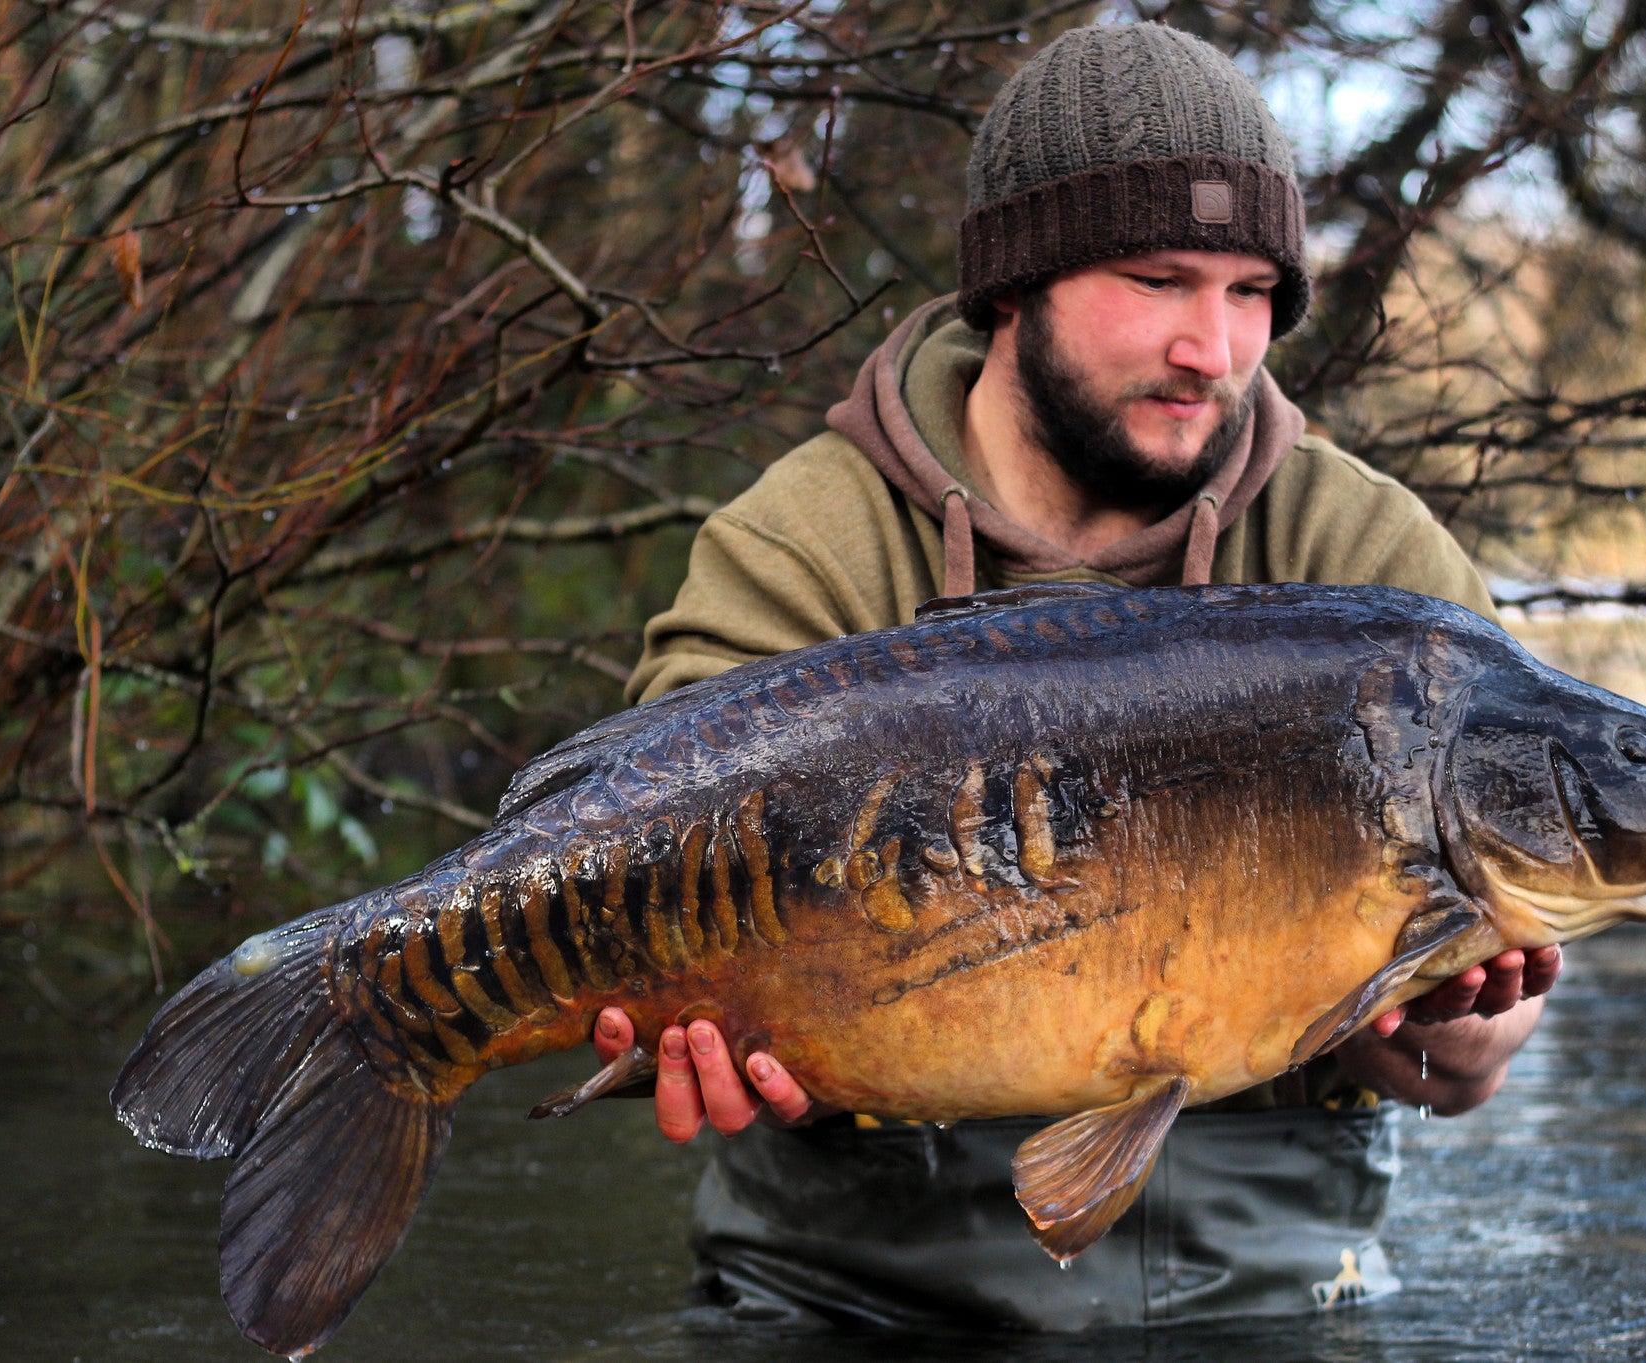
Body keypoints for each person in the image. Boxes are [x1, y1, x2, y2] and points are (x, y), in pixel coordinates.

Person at [586, 21, 1560, 1329]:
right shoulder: (806, 544)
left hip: (1263, 1297)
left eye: (1251, 292)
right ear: (1015, 288)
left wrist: (1441, 1036)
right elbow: (634, 859)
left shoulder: (1368, 567)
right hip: (852, 1298)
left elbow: (1473, 1070)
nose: (1212, 349)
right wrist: (693, 1020)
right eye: (1159, 279)